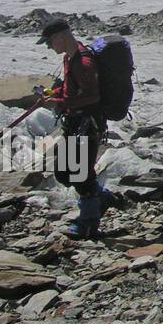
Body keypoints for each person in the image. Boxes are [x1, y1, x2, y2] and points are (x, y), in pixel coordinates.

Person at [37, 18, 117, 239]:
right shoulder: (70, 59)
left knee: (80, 174)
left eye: (49, 42)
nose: (48, 46)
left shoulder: (83, 62)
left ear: (62, 36)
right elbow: (73, 88)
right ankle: (102, 198)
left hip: (87, 124)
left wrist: (60, 103)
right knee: (64, 172)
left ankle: (88, 223)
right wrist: (56, 93)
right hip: (75, 123)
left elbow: (93, 96)